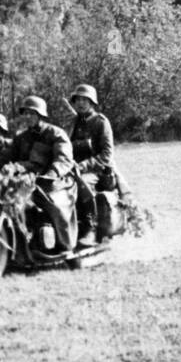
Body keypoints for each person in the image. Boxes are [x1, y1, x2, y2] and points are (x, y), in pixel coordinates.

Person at [0, 96, 78, 256]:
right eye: (25, 113)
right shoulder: (21, 137)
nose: (28, 117)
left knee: (56, 207)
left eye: (32, 113)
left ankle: (66, 246)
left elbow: (64, 160)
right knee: (8, 203)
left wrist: (50, 175)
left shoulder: (55, 133)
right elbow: (5, 156)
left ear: (41, 115)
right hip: (27, 181)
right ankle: (22, 246)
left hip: (56, 180)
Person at [67, 83, 115, 248]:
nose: (80, 103)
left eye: (85, 100)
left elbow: (106, 155)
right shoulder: (73, 123)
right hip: (72, 169)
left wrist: (83, 166)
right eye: (78, 100)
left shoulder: (100, 122)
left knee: (82, 185)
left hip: (97, 171)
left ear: (92, 102)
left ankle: (90, 228)